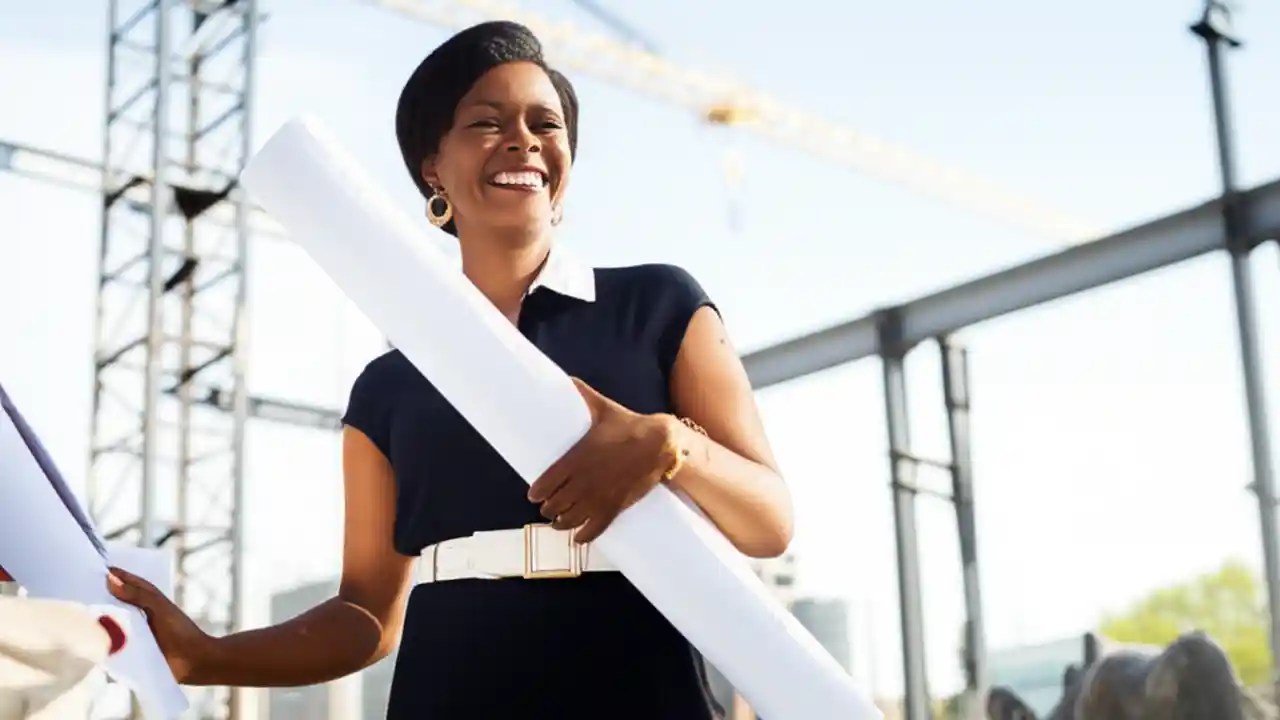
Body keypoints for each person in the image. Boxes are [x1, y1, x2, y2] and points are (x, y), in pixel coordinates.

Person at [105, 20, 793, 719]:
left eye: (544, 123)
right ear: (432, 167)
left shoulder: (658, 305)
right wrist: (209, 656)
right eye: (486, 122)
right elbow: (367, 615)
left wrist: (672, 446)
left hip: (642, 691)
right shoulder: (387, 388)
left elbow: (770, 524)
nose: (523, 139)